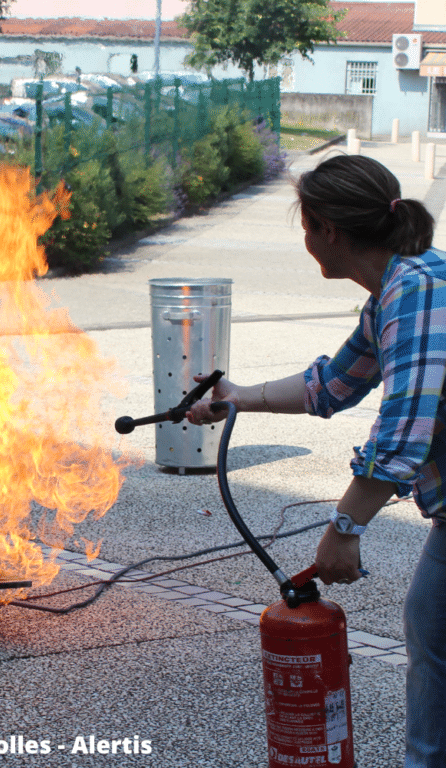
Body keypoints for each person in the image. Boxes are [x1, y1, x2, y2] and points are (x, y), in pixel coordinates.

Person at [186, 153, 445, 768]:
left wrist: (344, 530)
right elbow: (333, 384)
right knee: (431, 630)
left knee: (433, 632)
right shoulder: (396, 292)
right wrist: (236, 398)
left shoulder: (417, 293)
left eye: (307, 227)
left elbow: (404, 432)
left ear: (327, 230)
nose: (307, 242)